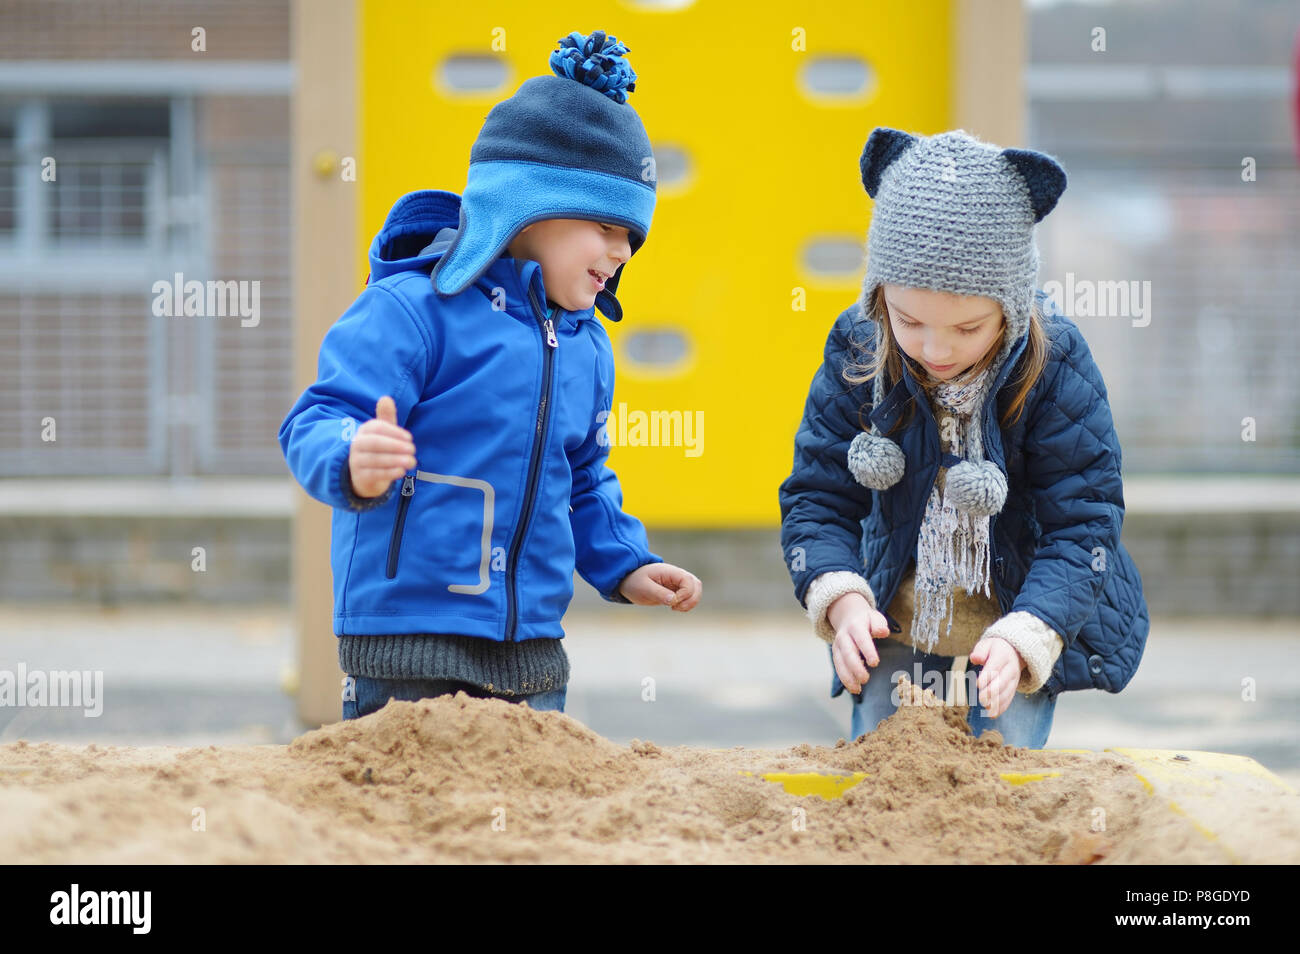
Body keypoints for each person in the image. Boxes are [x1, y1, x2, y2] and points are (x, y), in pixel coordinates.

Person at [278, 30, 701, 721]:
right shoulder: (414, 310)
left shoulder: (588, 344)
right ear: (524, 206)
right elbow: (316, 419)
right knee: (409, 814)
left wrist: (625, 563)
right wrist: (353, 458)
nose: (620, 251)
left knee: (530, 816)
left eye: (632, 236)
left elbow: (585, 477)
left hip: (532, 645)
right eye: (604, 225)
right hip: (409, 640)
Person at [778, 126, 1149, 748]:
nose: (935, 348)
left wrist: (1031, 630)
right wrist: (839, 597)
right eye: (910, 321)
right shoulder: (858, 347)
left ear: (1009, 305)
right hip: (894, 615)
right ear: (879, 300)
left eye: (968, 327)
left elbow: (1083, 520)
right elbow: (817, 495)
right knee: (881, 768)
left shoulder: (1055, 363)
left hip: (1014, 615)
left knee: (1001, 774)